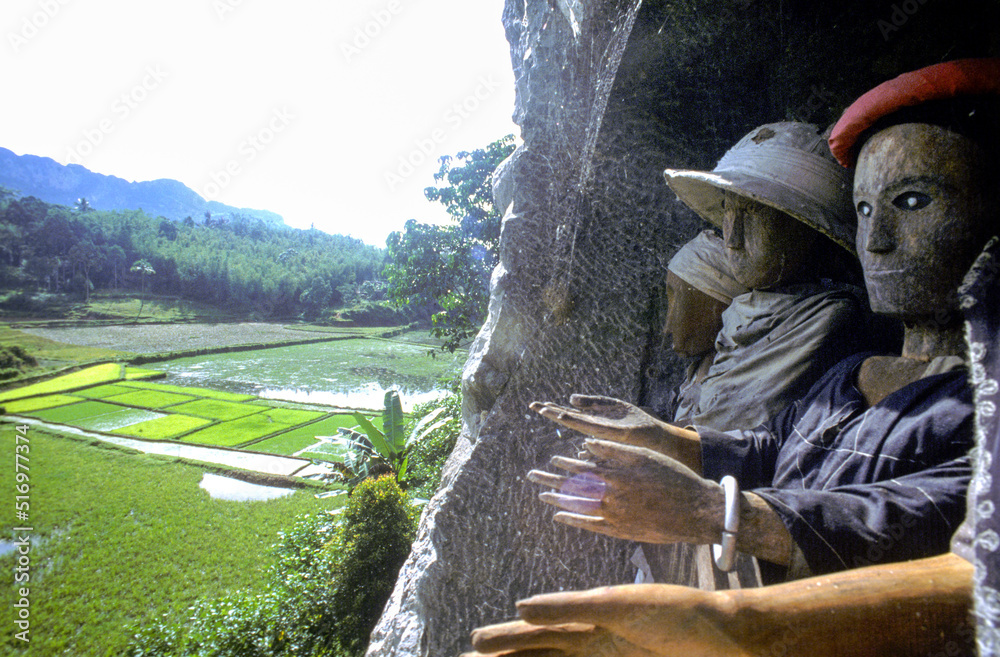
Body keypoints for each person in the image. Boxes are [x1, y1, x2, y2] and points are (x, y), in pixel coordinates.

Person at [462, 58, 1000, 657]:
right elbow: (773, 447)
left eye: (914, 200)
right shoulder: (853, 373)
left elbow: (931, 519)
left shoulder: (970, 393)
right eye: (867, 211)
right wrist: (666, 439)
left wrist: (717, 518)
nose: (877, 241)